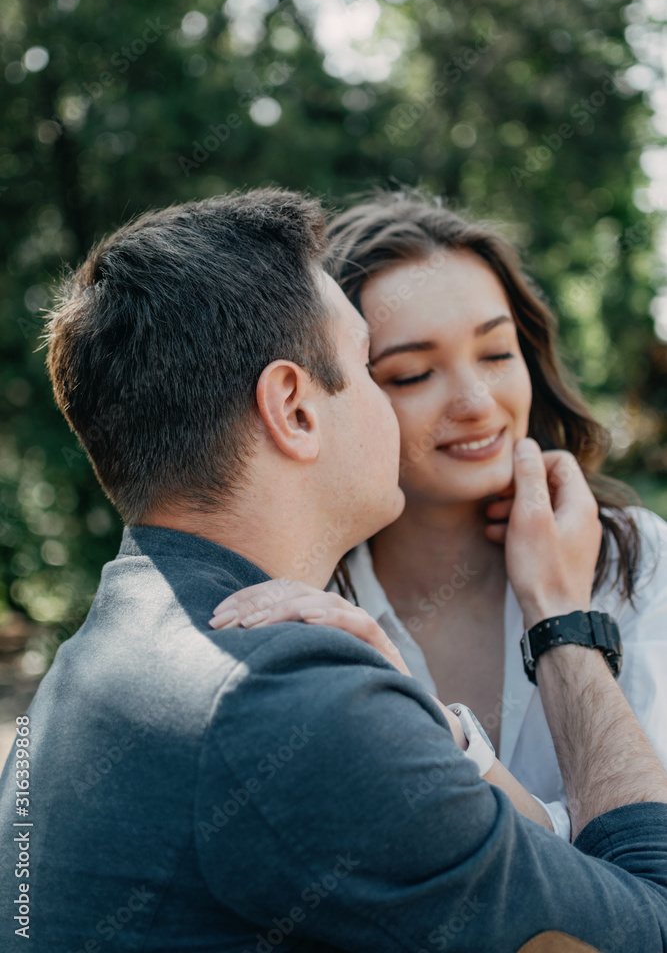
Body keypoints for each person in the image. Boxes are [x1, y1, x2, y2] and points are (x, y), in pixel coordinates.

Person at [1, 189, 667, 953]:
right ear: (293, 406)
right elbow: (644, 928)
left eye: (494, 351)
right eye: (375, 370)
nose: (474, 403)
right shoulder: (293, 699)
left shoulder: (94, 659)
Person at [211, 191, 667, 839]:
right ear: (327, 398)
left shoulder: (636, 560)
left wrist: (557, 609)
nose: (477, 403)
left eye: (495, 353)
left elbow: (650, 868)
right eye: (413, 374)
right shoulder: (299, 600)